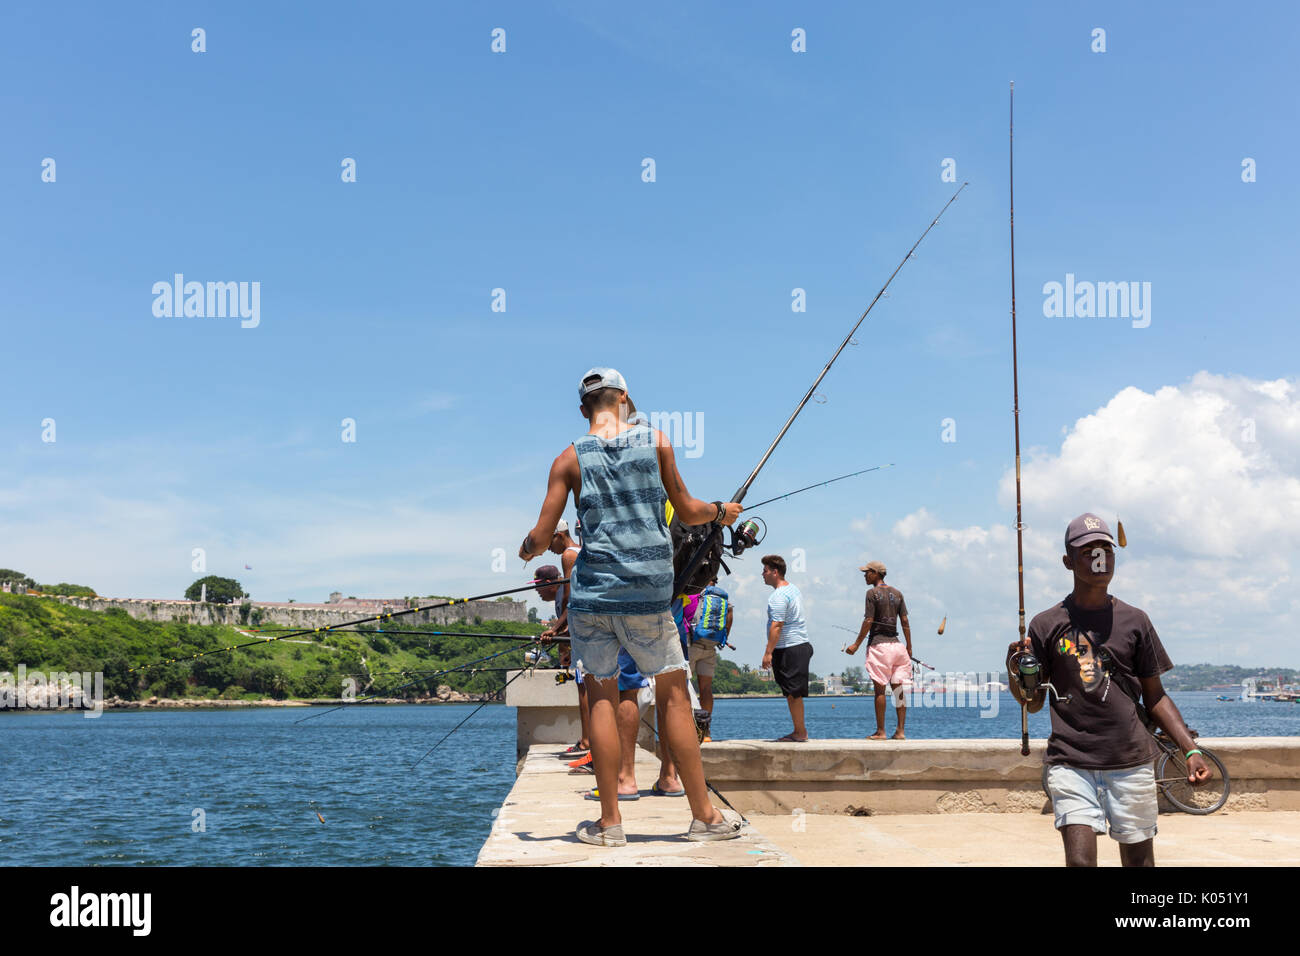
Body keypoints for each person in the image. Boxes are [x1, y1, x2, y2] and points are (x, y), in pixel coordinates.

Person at [519, 366, 745, 846]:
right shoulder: (658, 441)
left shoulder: (568, 459)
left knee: (601, 696)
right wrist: (721, 511)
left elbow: (541, 538)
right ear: (623, 398)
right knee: (674, 694)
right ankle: (704, 817)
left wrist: (527, 548)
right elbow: (687, 509)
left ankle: (610, 823)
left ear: (584, 409)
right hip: (648, 592)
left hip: (594, 595)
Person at [1007, 513, 1211, 867]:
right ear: (1068, 561)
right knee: (1081, 863)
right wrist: (1014, 668)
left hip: (1131, 762)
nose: (1099, 557)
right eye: (1088, 551)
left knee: (1139, 862)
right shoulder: (1045, 624)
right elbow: (1033, 701)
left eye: (1106, 548)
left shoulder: (1136, 620)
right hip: (1071, 763)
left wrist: (1191, 751)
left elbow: (1156, 696)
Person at [844, 560, 912, 740]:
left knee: (880, 691)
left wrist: (856, 644)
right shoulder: (898, 594)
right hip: (898, 647)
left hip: (879, 647)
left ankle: (881, 731)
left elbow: (868, 620)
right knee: (898, 690)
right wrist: (909, 647)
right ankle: (900, 731)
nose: (865, 576)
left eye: (867, 573)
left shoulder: (871, 593)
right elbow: (905, 622)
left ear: (876, 573)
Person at [761, 554, 810, 742]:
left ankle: (800, 732)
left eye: (765, 571)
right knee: (791, 692)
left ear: (775, 572)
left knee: (793, 693)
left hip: (790, 647)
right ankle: (799, 730)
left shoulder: (778, 596)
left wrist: (768, 653)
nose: (762, 574)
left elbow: (777, 625)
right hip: (797, 645)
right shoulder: (793, 589)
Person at [689, 576, 733, 730]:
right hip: (711, 647)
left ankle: (688, 728)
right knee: (706, 688)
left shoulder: (695, 593)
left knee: (684, 686)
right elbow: (729, 615)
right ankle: (705, 730)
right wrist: (724, 637)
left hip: (692, 645)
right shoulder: (722, 598)